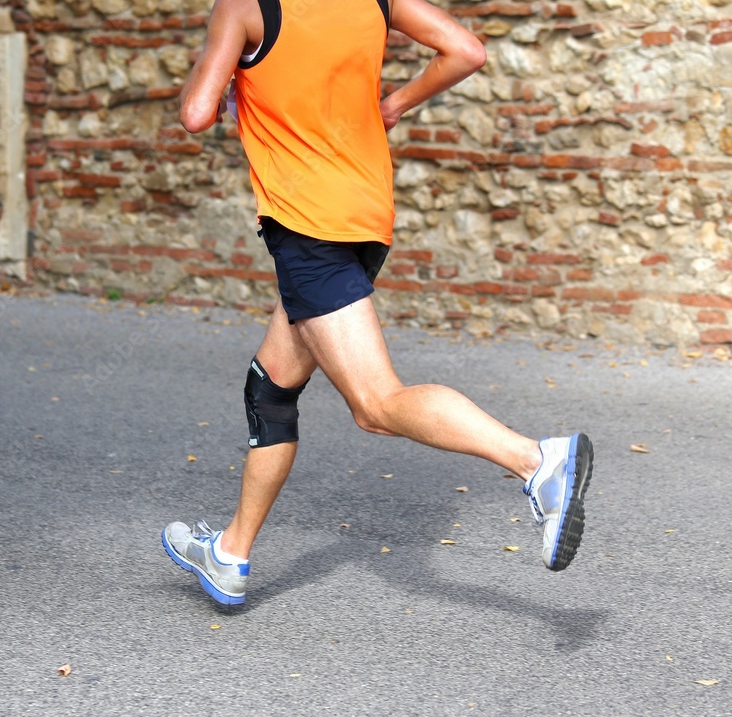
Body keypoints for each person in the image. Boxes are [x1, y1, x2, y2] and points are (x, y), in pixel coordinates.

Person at [162, 0, 594, 605]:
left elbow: (195, 113)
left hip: (308, 225)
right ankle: (230, 554)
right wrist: (392, 105)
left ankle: (535, 461)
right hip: (365, 215)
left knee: (375, 403)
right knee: (272, 388)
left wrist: (225, 60)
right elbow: (466, 51)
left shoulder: (244, 6)